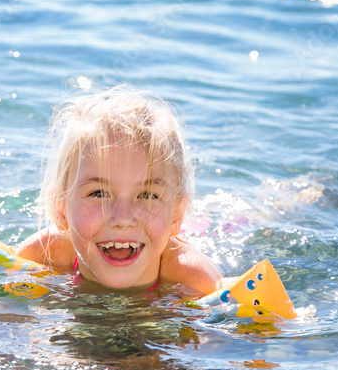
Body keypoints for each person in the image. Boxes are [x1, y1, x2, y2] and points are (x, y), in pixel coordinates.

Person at [16, 87, 221, 295]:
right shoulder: (42, 257)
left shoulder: (193, 283)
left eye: (148, 196)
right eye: (98, 193)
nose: (122, 219)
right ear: (60, 209)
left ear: (177, 215)